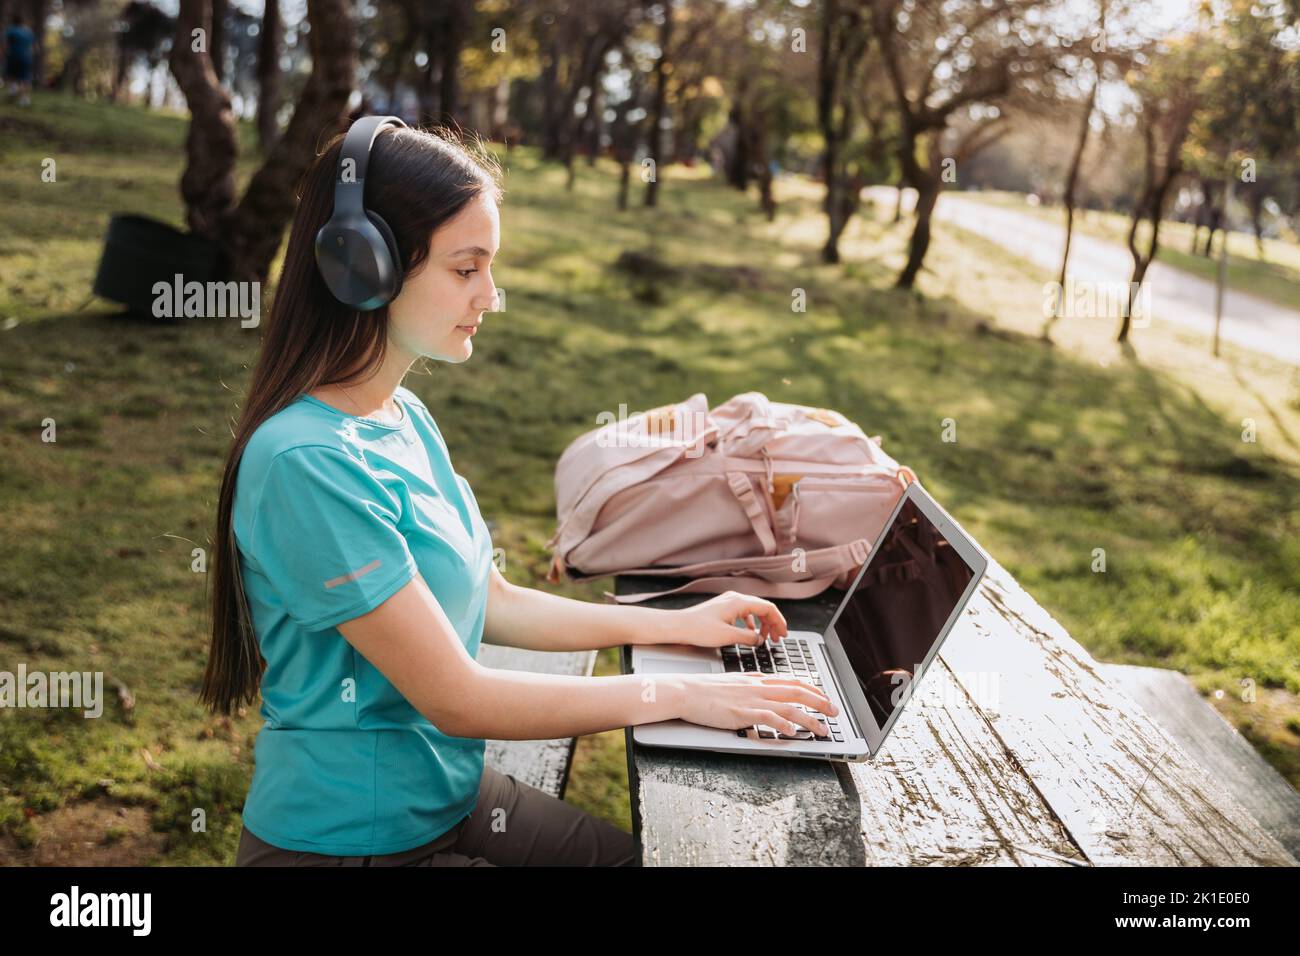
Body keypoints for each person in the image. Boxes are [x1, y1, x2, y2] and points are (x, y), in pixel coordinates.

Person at [204, 120, 838, 866]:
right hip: (353, 844)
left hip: (452, 801)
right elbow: (458, 698)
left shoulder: (400, 415)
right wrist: (683, 698)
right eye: (466, 269)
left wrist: (670, 627)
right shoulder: (304, 463)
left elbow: (494, 599)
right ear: (362, 266)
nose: (492, 296)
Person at [4, 14, 34, 108]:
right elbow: (33, 46)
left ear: (13, 21)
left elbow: (5, 44)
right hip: (26, 57)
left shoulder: (10, 30)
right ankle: (25, 99)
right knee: (25, 78)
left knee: (11, 74)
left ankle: (14, 89)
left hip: (13, 55)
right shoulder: (28, 32)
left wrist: (3, 54)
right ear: (22, 22)